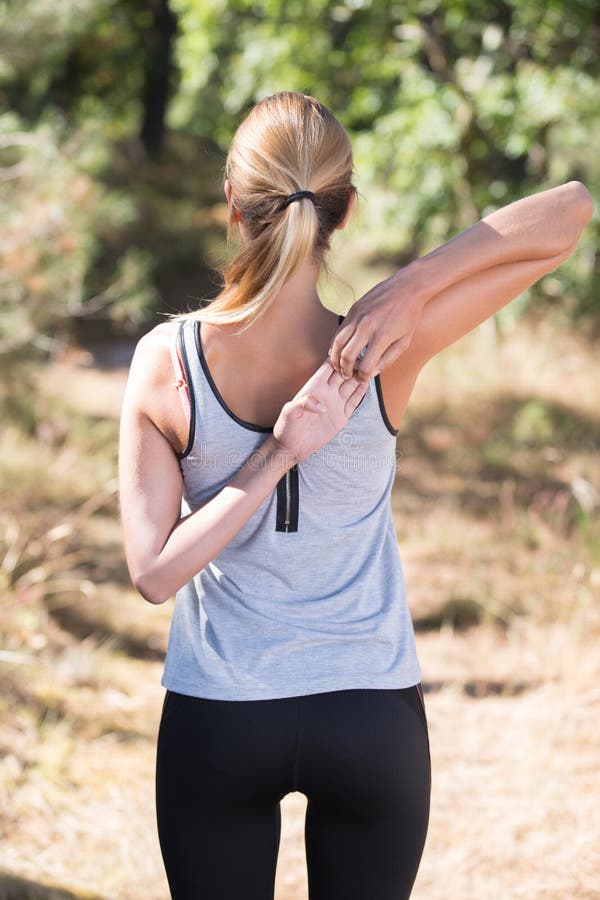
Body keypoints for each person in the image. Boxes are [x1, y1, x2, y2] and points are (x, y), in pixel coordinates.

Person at [118, 91, 593, 900]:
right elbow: (569, 214)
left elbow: (155, 573)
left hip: (221, 718)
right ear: (346, 212)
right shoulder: (384, 348)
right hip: (371, 716)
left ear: (233, 206)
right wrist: (415, 287)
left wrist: (270, 453)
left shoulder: (167, 361)